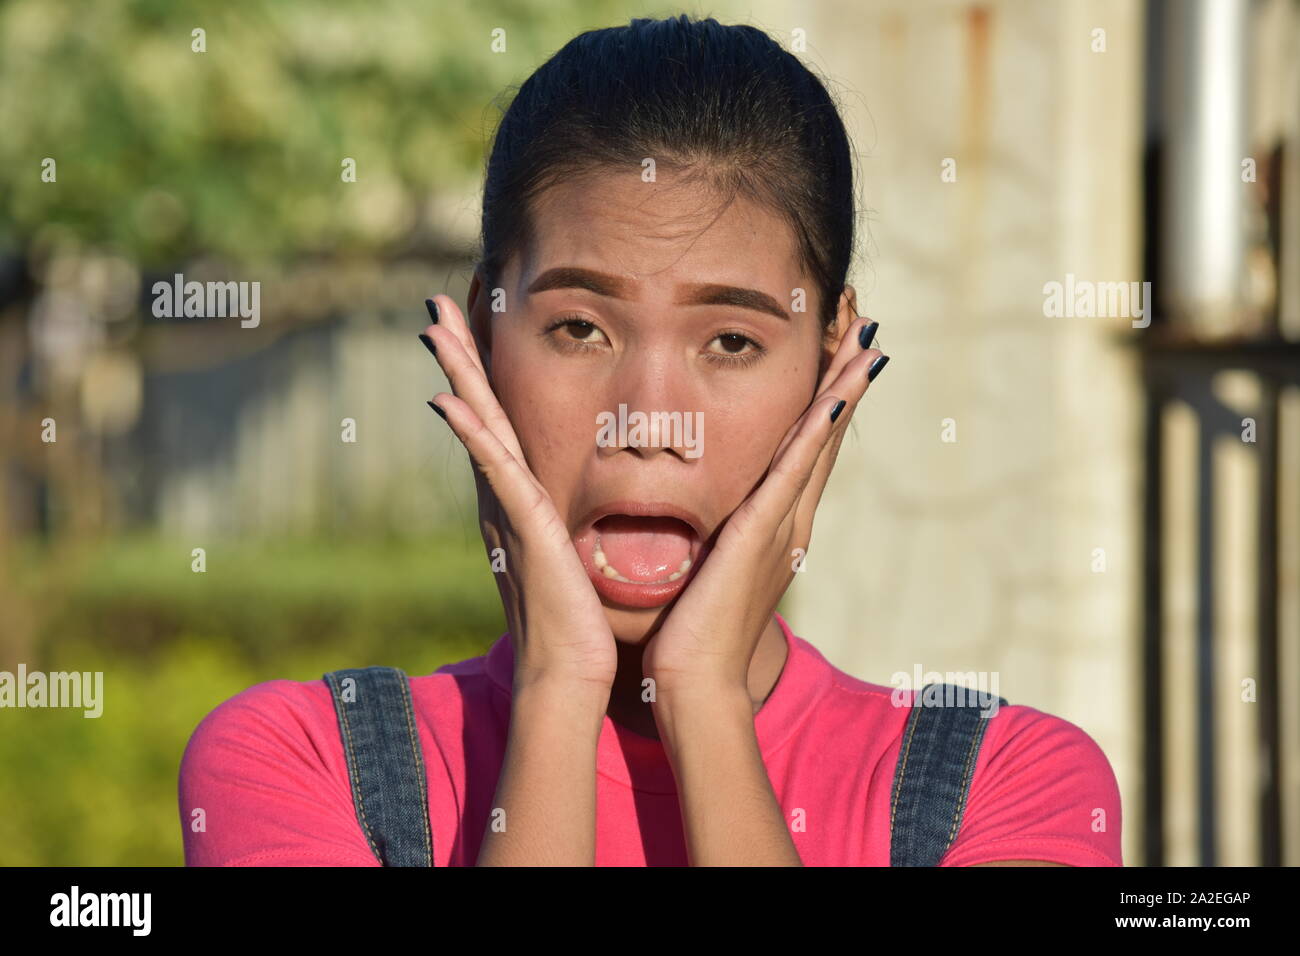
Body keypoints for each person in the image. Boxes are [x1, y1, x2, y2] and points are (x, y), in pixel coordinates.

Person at [179, 14, 1121, 866]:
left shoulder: (1008, 790)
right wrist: (558, 690)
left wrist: (704, 703)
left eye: (732, 341)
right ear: (479, 335)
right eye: (580, 330)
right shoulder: (304, 765)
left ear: (833, 362)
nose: (648, 419)